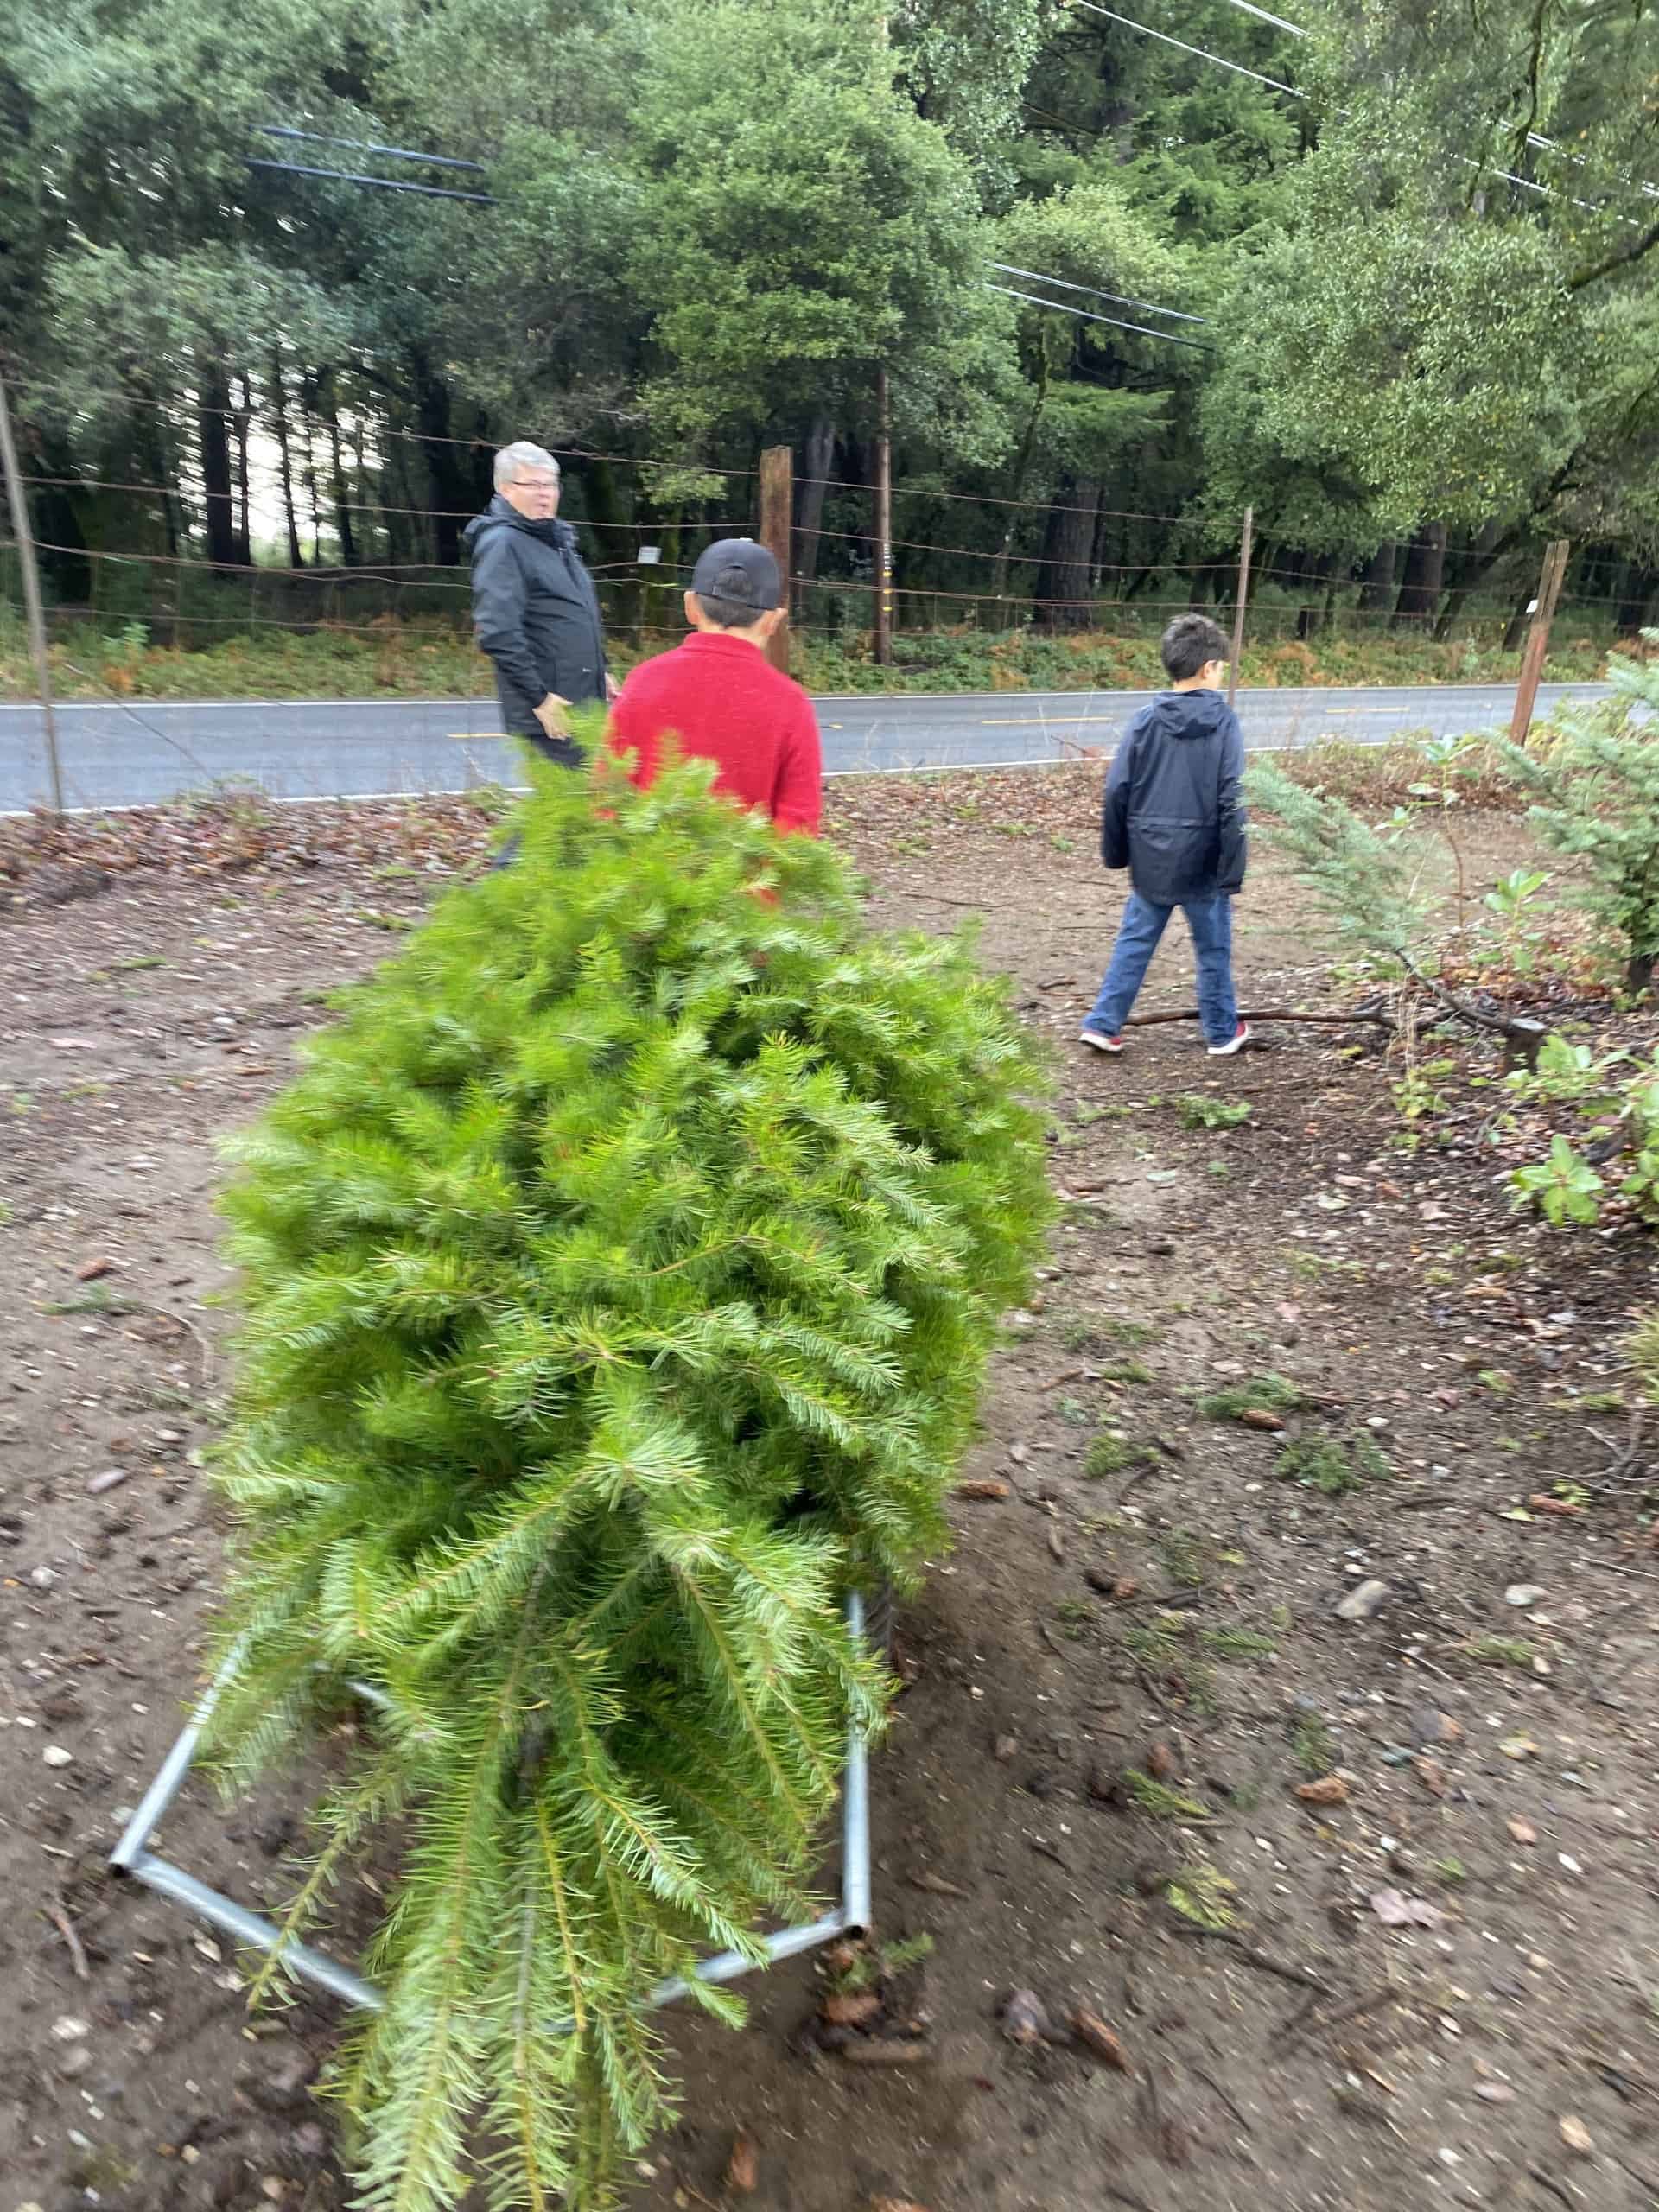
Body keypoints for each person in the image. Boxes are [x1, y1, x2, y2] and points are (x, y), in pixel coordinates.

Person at [1078, 612, 1249, 1058]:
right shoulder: (1225, 723)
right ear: (1208, 668)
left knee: (1134, 942)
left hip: (1151, 855)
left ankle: (1102, 1022)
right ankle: (1221, 1031)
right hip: (1205, 860)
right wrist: (1233, 866)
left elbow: (1118, 789)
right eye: (1222, 666)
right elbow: (1232, 796)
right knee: (1213, 948)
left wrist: (1118, 853)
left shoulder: (1143, 721)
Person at [607, 537, 822, 833]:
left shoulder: (642, 680)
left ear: (690, 606)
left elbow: (607, 796)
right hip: (744, 878)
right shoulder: (791, 704)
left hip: (646, 876)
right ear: (774, 621)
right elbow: (798, 827)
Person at [464, 441, 616, 772]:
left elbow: (574, 613)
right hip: (553, 706)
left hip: (581, 696)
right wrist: (539, 699)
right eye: (531, 484)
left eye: (549, 484)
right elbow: (498, 632)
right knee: (570, 805)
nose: (544, 493)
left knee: (580, 805)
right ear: (505, 490)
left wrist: (601, 670)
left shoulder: (554, 540)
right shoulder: (503, 544)